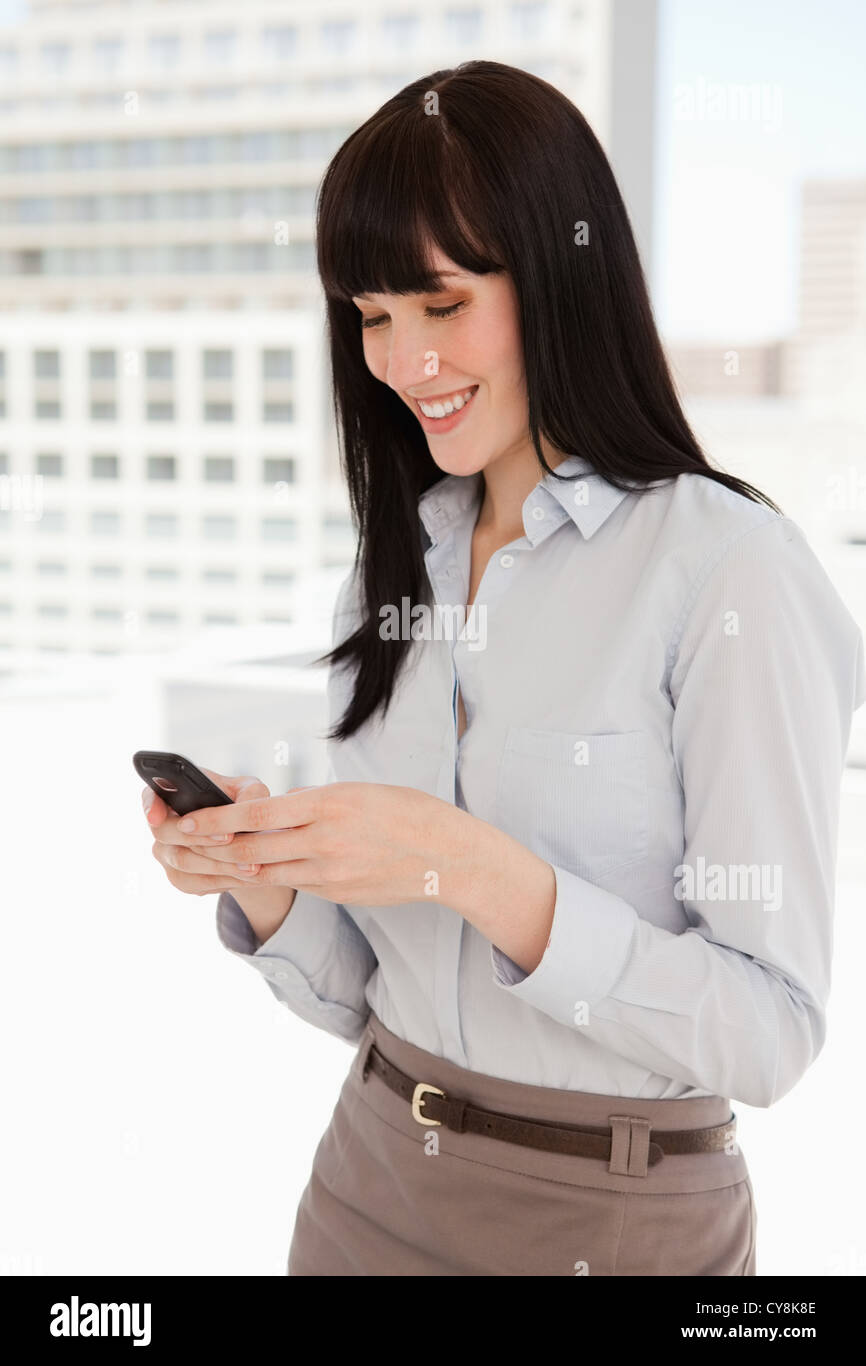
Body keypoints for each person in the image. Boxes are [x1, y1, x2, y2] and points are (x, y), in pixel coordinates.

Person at [142, 61, 866, 1276]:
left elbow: (770, 1031)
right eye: (371, 316)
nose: (400, 358)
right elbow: (363, 998)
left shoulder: (726, 570)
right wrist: (265, 876)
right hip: (368, 1180)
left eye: (438, 303)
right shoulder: (393, 571)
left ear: (558, 274)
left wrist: (477, 871)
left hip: (619, 1218)